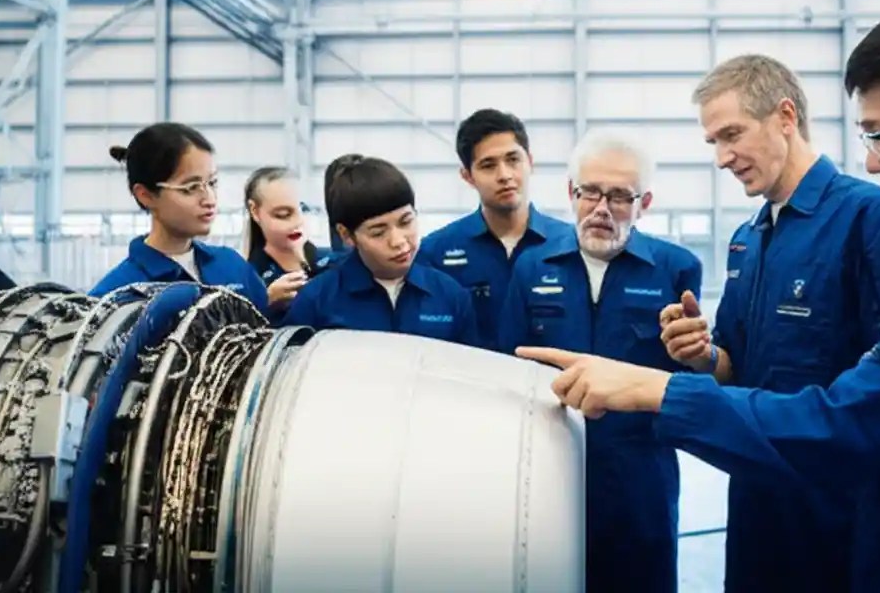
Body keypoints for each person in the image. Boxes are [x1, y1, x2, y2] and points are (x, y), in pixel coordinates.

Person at [517, 4, 880, 593]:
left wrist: (654, 388)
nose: (873, 160)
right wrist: (703, 361)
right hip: (794, 501)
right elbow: (766, 373)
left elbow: (856, 420)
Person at [656, 54, 880, 592]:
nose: (723, 158)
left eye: (731, 134)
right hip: (759, 500)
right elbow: (733, 364)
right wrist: (700, 354)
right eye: (713, 142)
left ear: (784, 116)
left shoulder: (870, 218)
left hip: (840, 515)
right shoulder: (748, 238)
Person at [498, 128, 702, 593]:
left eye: (619, 196)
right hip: (549, 464)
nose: (601, 209)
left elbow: (688, 373)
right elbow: (509, 365)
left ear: (644, 203)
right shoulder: (532, 268)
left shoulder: (676, 269)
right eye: (589, 192)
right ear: (571, 193)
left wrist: (696, 351)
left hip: (641, 470)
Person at [282, 154, 480, 347]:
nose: (398, 241)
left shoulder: (450, 296)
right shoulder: (317, 301)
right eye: (378, 232)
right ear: (347, 235)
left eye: (406, 222)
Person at [418, 109, 573, 350]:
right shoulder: (435, 253)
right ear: (467, 176)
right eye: (488, 165)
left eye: (513, 160)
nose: (504, 175)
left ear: (530, 162)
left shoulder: (569, 245)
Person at [90, 122, 268, 312]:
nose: (209, 199)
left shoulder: (232, 266)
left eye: (212, 183)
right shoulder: (117, 297)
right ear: (146, 195)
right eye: (191, 188)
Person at [241, 166, 338, 313]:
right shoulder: (246, 279)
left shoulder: (333, 261)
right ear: (255, 211)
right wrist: (266, 302)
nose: (297, 222)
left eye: (303, 210)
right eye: (283, 214)